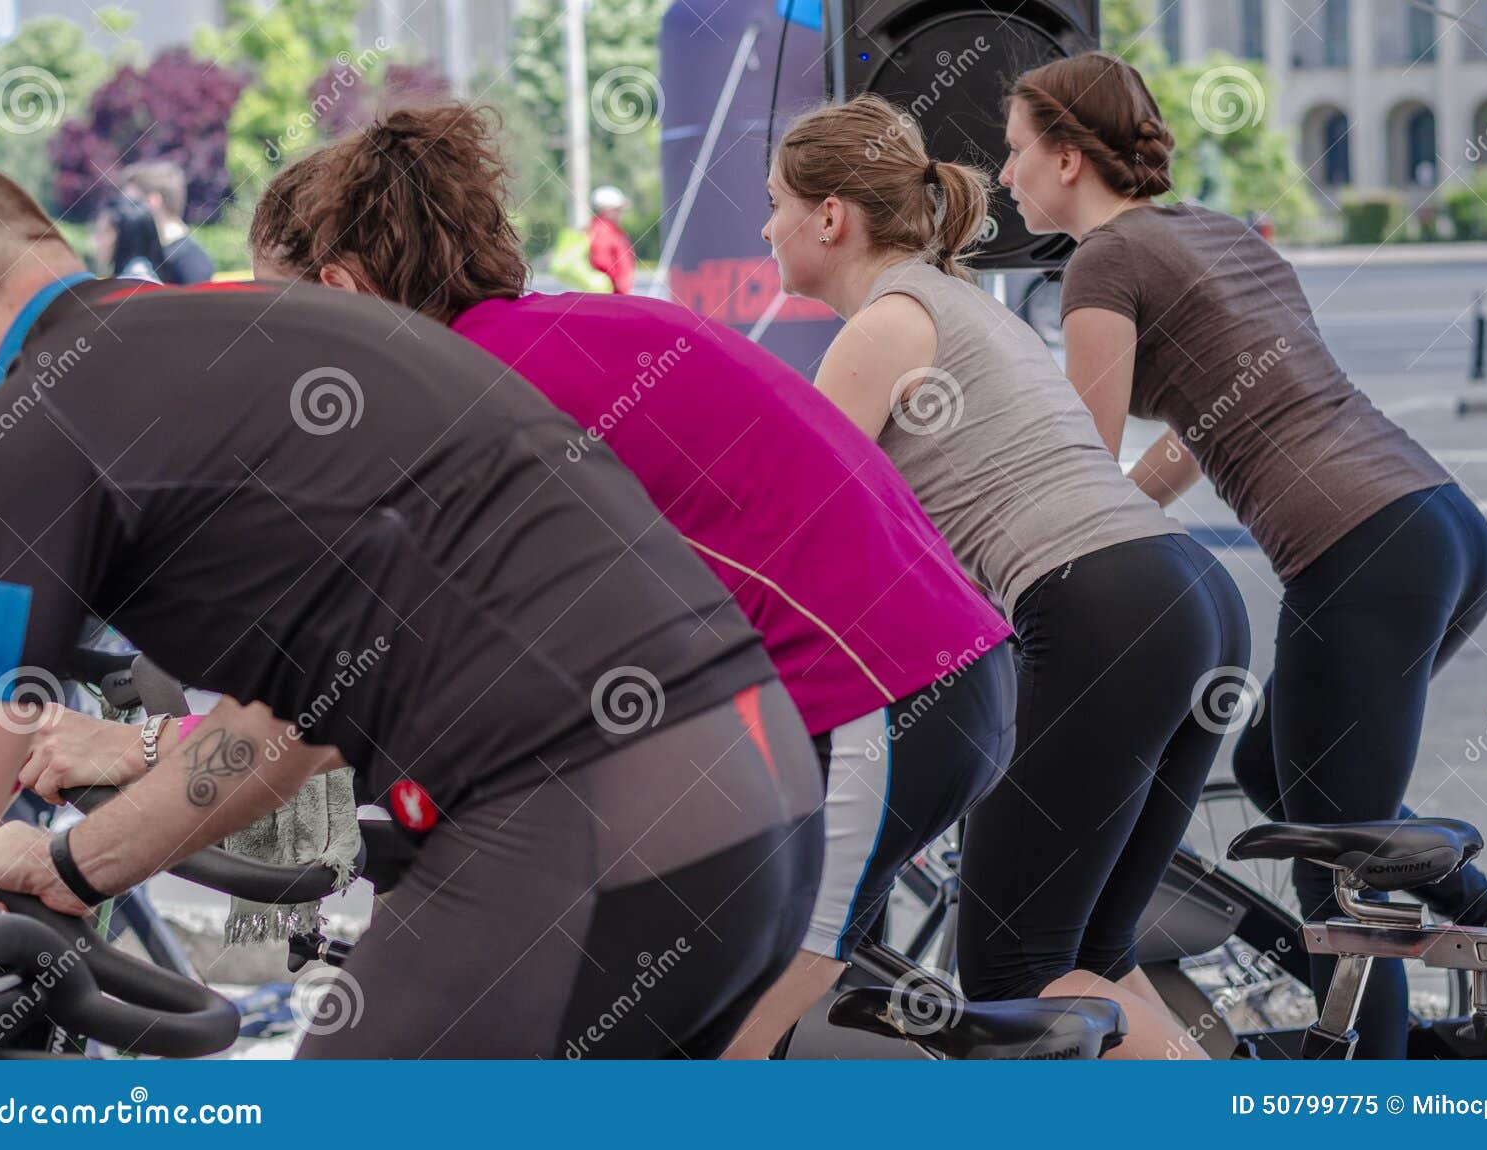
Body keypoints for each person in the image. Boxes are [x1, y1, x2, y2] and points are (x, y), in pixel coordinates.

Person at [0, 160, 823, 1060]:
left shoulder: (39, 423)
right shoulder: (224, 341)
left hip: (588, 816)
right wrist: (74, 865)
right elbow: (286, 723)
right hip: (753, 802)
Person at [243, 104, 1019, 1059]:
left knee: (710, 1046)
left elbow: (354, 673)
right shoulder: (561, 336)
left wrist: (143, 769)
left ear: (341, 292)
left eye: (277, 318)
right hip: (909, 684)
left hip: (883, 696)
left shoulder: (461, 398)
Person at [1001, 51, 1487, 1058]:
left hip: (1359, 550)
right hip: (1435, 526)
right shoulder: (1209, 232)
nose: (1007, 172)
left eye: (1017, 149)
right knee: (1282, 779)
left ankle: (1374, 1094)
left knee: (1334, 869)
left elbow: (1080, 452)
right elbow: (1204, 429)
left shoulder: (1103, 262)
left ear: (1068, 157)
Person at [766, 95, 1250, 1059]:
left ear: (831, 217)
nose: (766, 226)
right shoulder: (960, 309)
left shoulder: (886, 325)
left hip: (1106, 608)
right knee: (1092, 957)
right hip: (1192, 597)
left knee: (1008, 972)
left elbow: (790, 548)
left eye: (775, 201)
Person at [122, 160, 215, 284]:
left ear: (153, 201)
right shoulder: (158, 254)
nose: (123, 211)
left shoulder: (189, 260)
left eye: (131, 203)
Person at [92, 196, 165, 280]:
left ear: (122, 236)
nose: (96, 239)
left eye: (102, 232)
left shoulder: (136, 278)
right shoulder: (136, 273)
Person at [588, 185, 636, 293]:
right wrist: (619, 284)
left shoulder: (606, 230)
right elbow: (601, 261)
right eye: (618, 210)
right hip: (612, 297)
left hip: (613, 296)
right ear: (607, 210)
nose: (621, 214)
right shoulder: (603, 231)